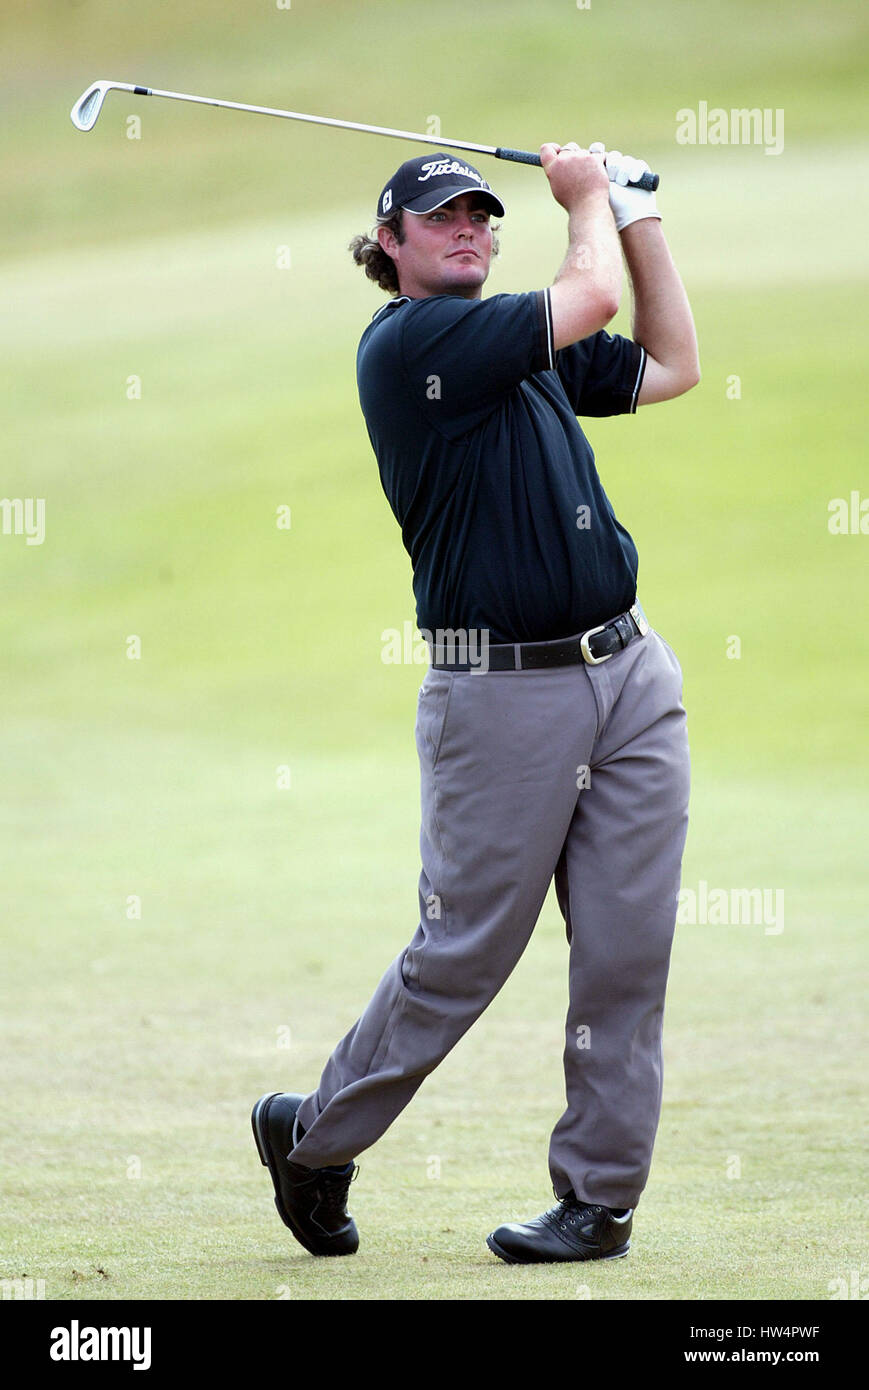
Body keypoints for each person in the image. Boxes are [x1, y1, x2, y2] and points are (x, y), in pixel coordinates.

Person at [252, 140, 700, 1264]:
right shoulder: (413, 346)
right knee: (462, 958)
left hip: (630, 677)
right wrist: (588, 197)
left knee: (624, 955)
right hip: (500, 698)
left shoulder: (522, 343)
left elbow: (671, 361)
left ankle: (595, 1201)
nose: (467, 230)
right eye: (439, 217)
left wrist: (637, 215)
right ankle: (310, 1141)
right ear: (390, 245)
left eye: (481, 216)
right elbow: (585, 290)